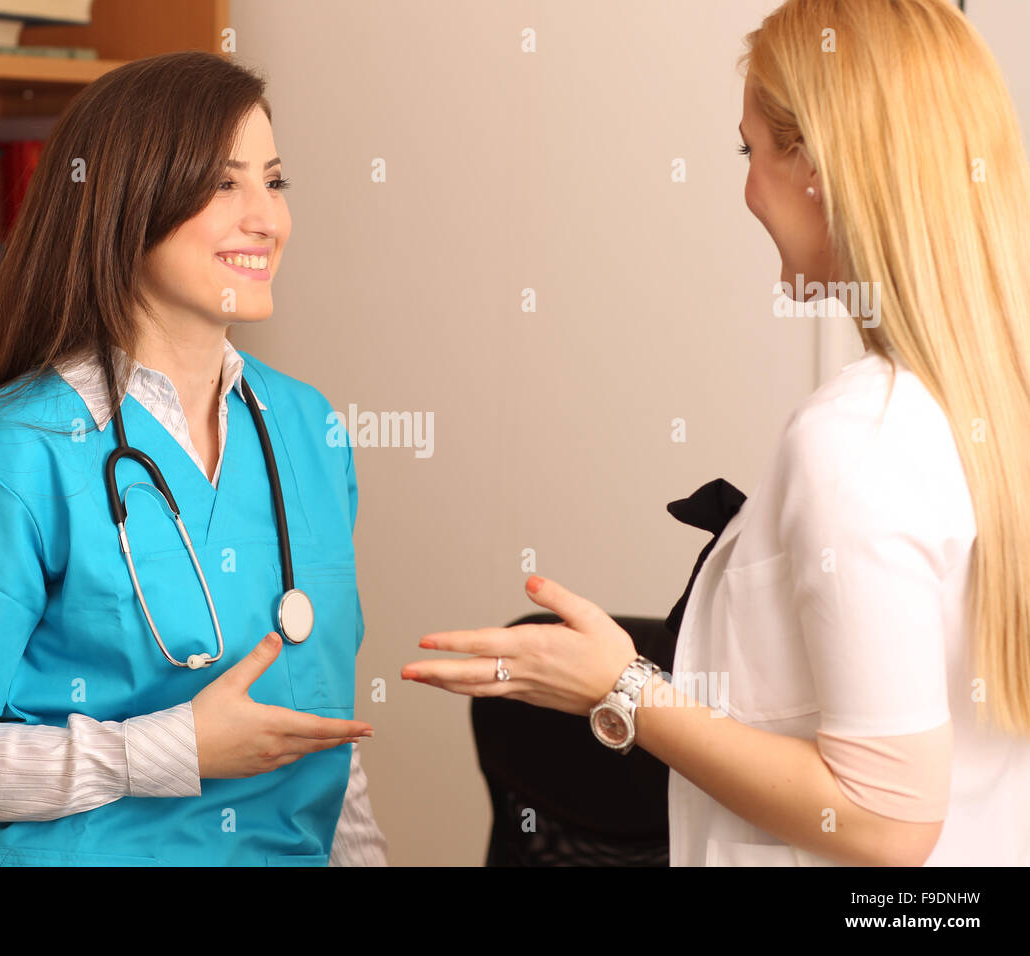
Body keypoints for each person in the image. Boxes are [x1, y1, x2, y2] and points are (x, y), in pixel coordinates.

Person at [403, 0, 1030, 866]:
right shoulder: (993, 418)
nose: (745, 188)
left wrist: (619, 689)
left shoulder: (858, 437)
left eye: (751, 150)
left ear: (815, 161)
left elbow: (887, 822)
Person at [0, 51, 387, 867]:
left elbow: (324, 745)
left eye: (274, 182)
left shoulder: (308, 428)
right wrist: (170, 749)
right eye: (223, 184)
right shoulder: (7, 456)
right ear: (127, 202)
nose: (266, 219)